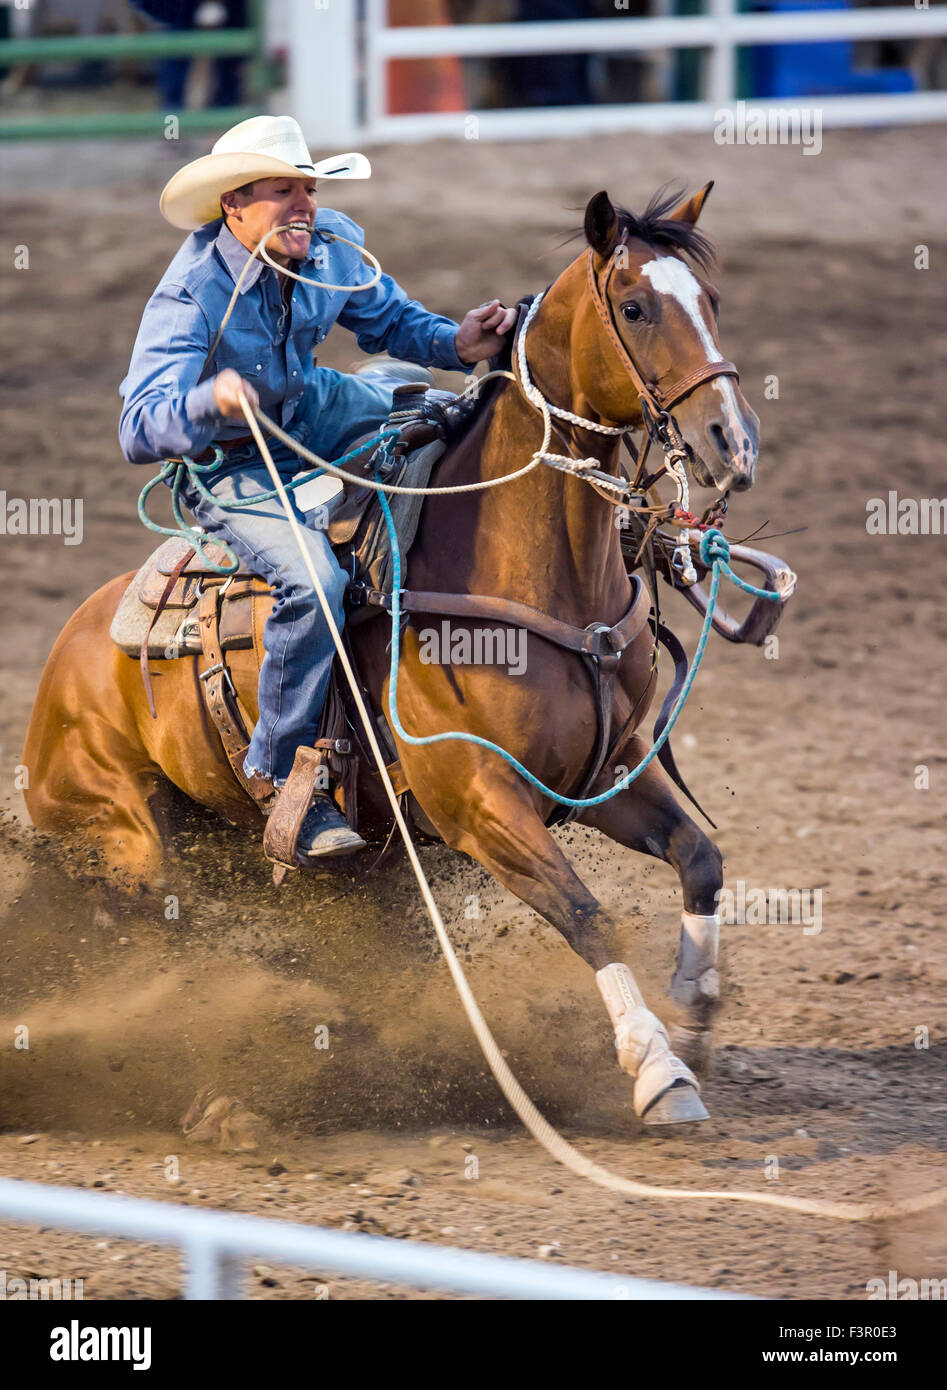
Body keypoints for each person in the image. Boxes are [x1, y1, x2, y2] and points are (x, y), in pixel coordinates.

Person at [119, 114, 515, 857]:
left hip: (314, 407)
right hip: (233, 459)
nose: (303, 205)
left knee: (457, 420)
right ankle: (281, 772)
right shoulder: (191, 296)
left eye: (307, 188)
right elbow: (138, 429)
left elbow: (390, 320)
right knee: (312, 581)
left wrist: (456, 344)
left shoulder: (330, 243)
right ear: (232, 204)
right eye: (281, 192)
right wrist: (208, 403)